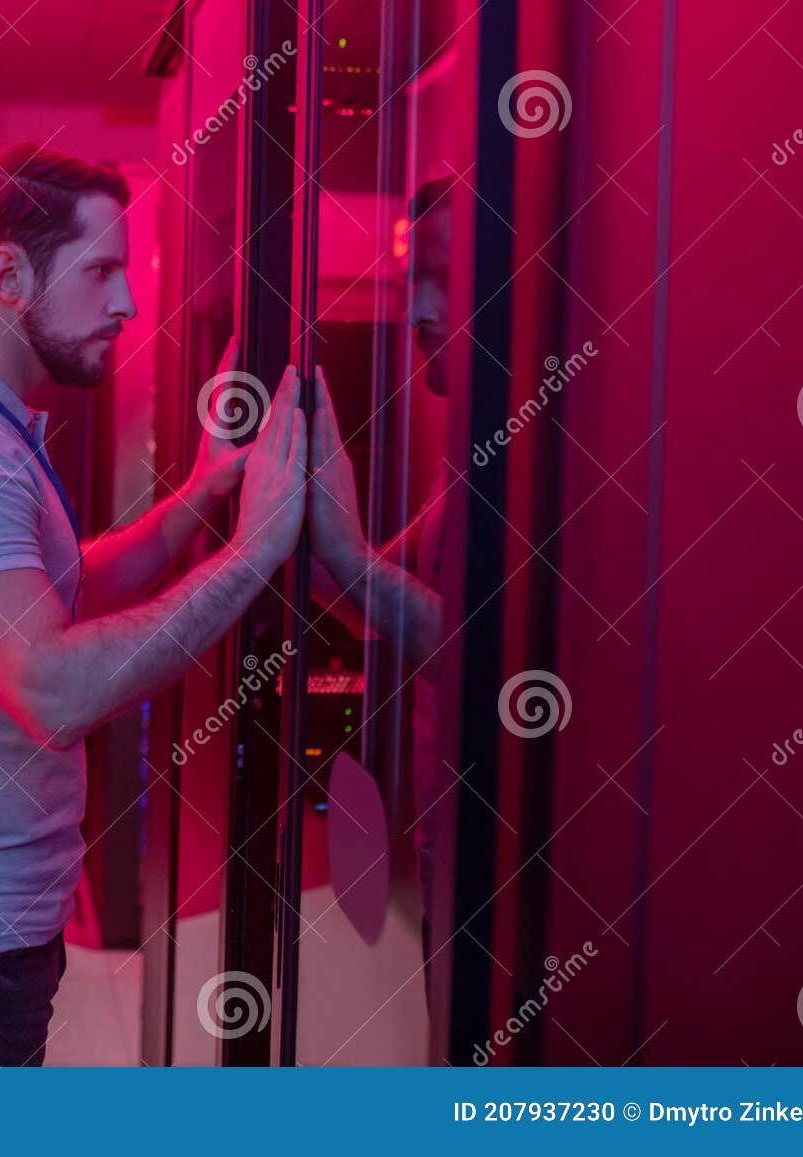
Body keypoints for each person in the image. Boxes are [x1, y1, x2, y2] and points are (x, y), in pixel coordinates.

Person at [0, 142, 307, 1065]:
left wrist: (199, 495)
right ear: (7, 275)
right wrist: (252, 558)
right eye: (101, 271)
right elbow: (51, 688)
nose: (126, 302)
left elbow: (54, 584)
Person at [308, 177, 454, 994]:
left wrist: (349, 556)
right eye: (411, 285)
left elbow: (482, 658)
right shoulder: (464, 459)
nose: (418, 311)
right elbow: (356, 587)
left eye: (444, 280)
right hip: (442, 860)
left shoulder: (553, 457)